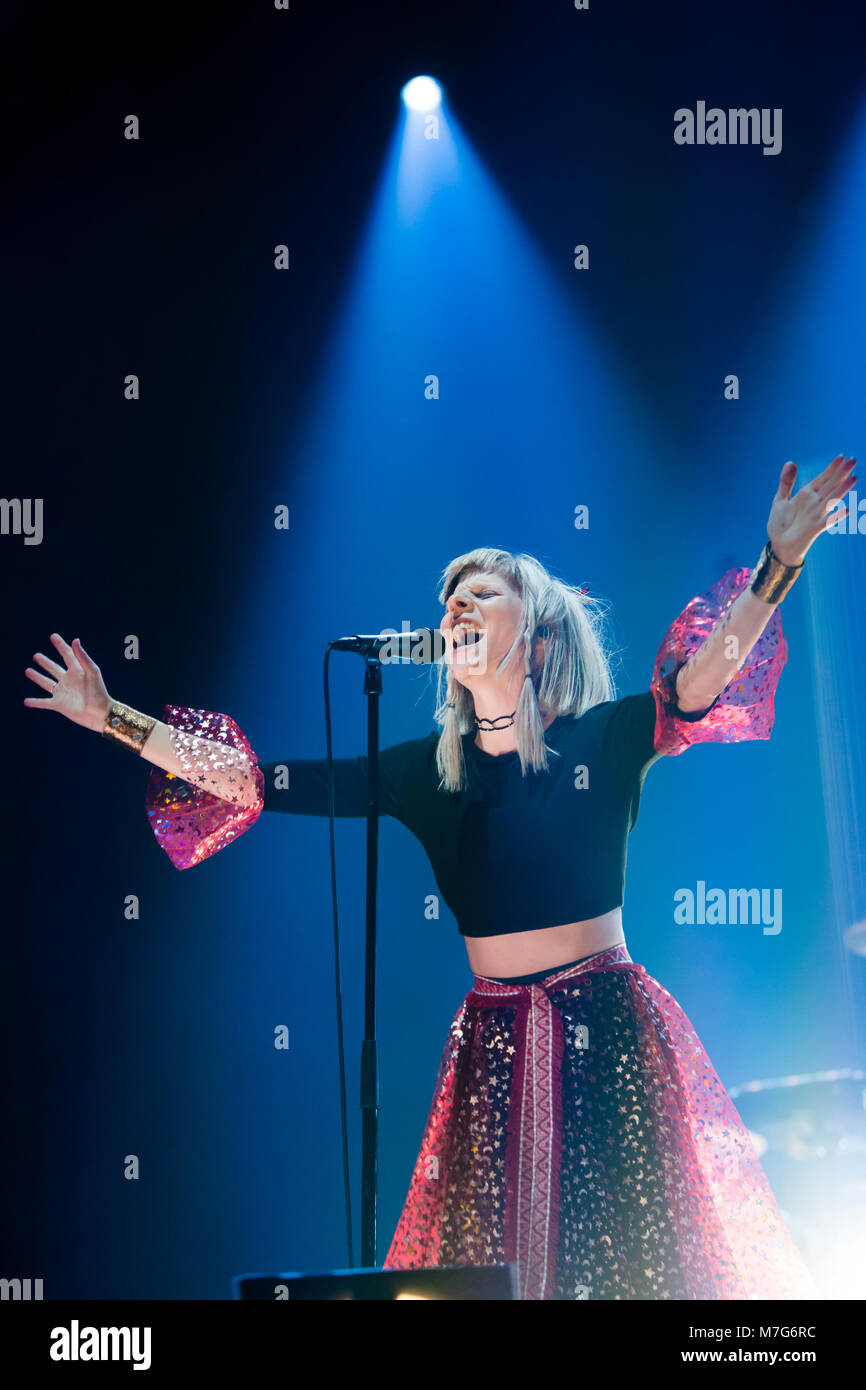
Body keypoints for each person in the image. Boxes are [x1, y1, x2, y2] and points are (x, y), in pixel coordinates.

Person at [23, 455, 856, 1299]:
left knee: (628, 1268)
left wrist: (775, 567)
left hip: (604, 1029)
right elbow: (257, 784)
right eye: (450, 597)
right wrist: (113, 721)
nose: (457, 604)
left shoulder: (603, 741)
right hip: (491, 1045)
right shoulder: (427, 773)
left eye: (482, 594)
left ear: (536, 640)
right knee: (491, 1271)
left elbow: (702, 680)